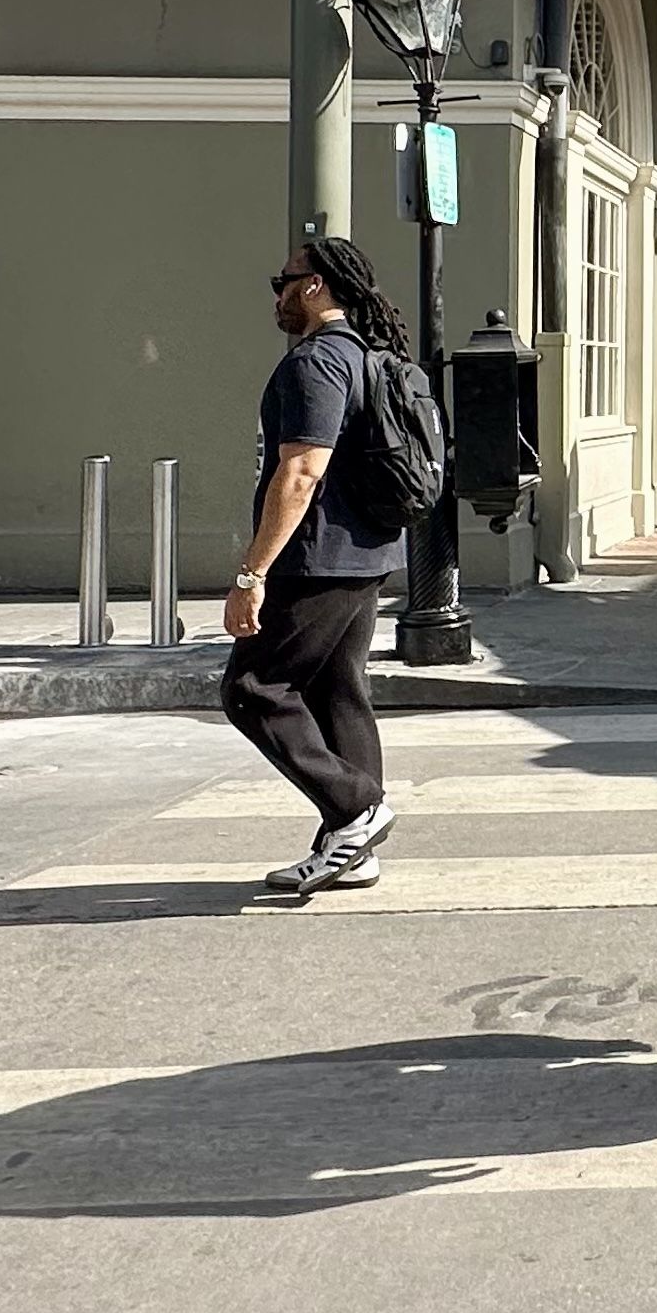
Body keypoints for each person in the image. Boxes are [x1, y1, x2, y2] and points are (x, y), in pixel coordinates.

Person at [222, 233, 416, 897]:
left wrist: (252, 574)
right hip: (367, 552)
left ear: (312, 285)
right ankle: (352, 848)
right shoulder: (364, 357)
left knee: (254, 690)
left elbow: (301, 472)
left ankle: (356, 810)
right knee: (337, 691)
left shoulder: (317, 363)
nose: (275, 294)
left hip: (317, 557)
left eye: (282, 281)